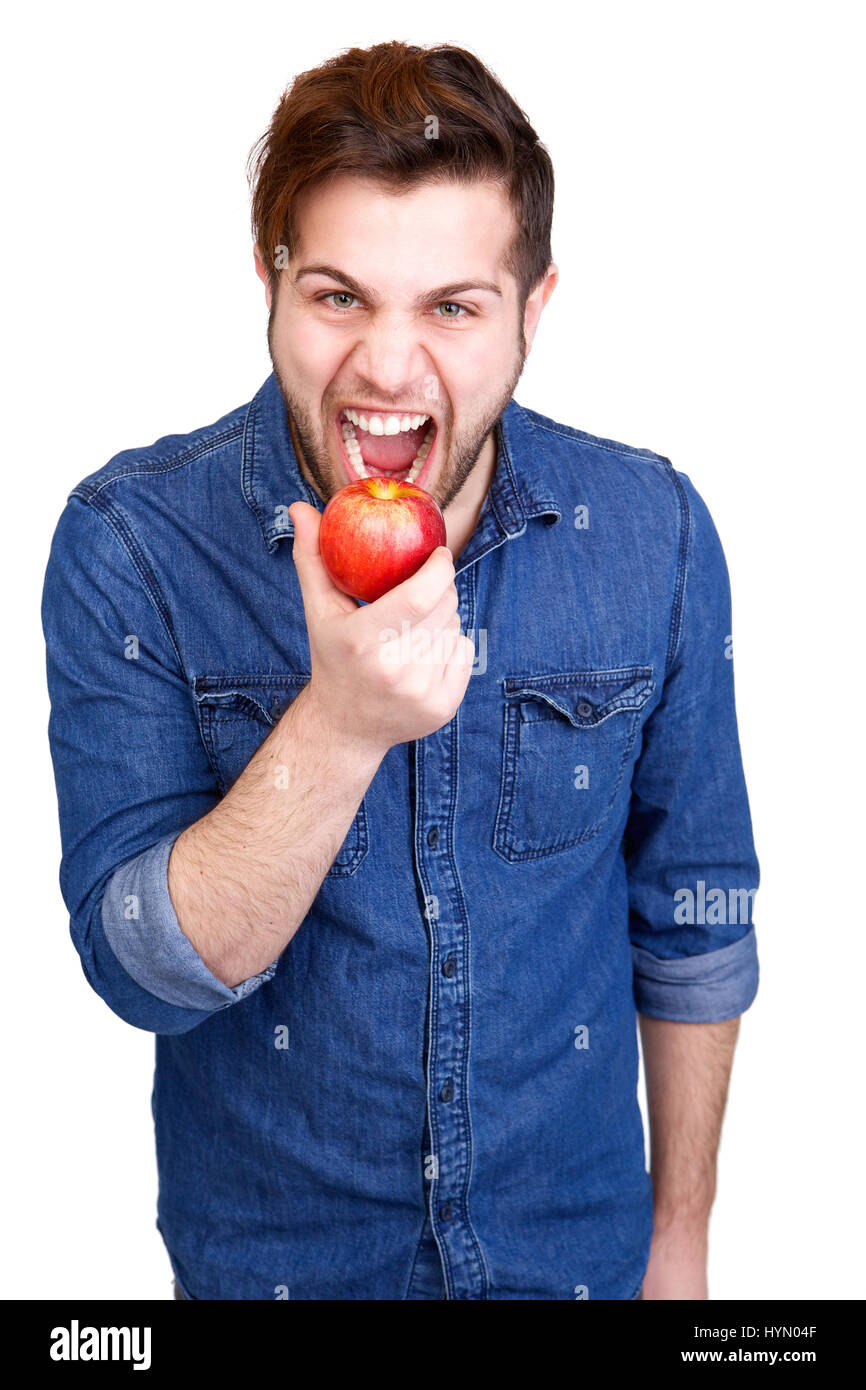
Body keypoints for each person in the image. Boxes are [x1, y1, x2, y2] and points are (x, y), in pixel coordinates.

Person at [42, 40, 759, 1301]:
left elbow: (693, 915)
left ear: (531, 310)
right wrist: (339, 725)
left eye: (451, 306)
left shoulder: (654, 533)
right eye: (337, 297)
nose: (384, 366)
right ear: (267, 284)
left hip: (578, 1274)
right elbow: (140, 968)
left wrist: (680, 1244)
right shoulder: (132, 544)